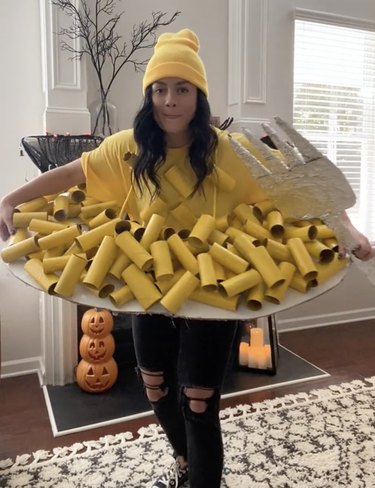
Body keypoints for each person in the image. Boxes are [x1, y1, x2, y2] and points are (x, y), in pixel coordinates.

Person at [0, 29, 373, 488]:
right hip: (146, 281)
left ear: (198, 95)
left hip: (211, 287)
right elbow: (74, 171)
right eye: (159, 89)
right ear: (148, 95)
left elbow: (295, 194)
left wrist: (350, 231)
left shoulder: (228, 151)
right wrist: (10, 199)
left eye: (182, 89)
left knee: (200, 400)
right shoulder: (128, 147)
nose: (169, 100)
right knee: (155, 386)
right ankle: (183, 461)